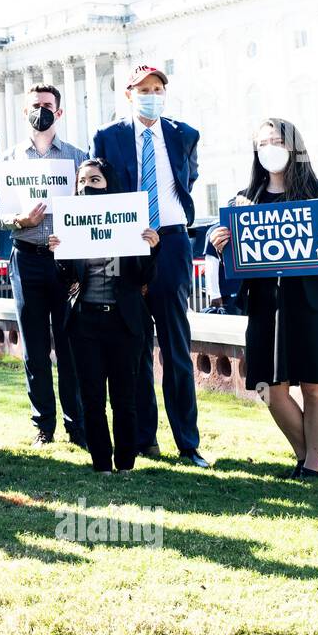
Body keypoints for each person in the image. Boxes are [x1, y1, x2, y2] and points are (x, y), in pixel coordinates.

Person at [207, 119, 318, 478]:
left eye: (277, 141)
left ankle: (311, 465)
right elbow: (232, 259)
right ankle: (305, 453)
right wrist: (221, 244)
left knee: (314, 386)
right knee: (268, 389)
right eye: (262, 143)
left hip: (315, 304)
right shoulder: (243, 200)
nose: (270, 149)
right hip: (266, 305)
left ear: (294, 146)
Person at [91, 65, 210, 468]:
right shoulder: (109, 137)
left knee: (176, 345)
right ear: (129, 94)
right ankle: (145, 438)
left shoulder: (183, 134)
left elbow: (187, 181)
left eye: (158, 88)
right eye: (143, 89)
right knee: (135, 345)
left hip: (172, 241)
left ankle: (188, 442)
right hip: (128, 245)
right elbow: (101, 190)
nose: (151, 94)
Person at [0, 83, 88, 448]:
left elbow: (92, 206)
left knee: (71, 345)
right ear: (25, 111)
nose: (41, 110)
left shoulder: (78, 158)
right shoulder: (9, 161)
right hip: (26, 258)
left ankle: (77, 425)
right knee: (33, 348)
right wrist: (20, 221)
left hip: (66, 264)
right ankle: (43, 425)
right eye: (35, 105)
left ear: (58, 113)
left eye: (47, 105)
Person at [48, 160, 160, 474]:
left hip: (124, 323)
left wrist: (151, 247)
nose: (87, 185)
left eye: (95, 179)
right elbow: (66, 279)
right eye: (82, 180)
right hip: (84, 323)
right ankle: (101, 464)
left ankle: (125, 463)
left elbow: (144, 277)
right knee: (92, 398)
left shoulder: (129, 222)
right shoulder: (72, 225)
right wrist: (60, 253)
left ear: (108, 183)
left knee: (124, 399)